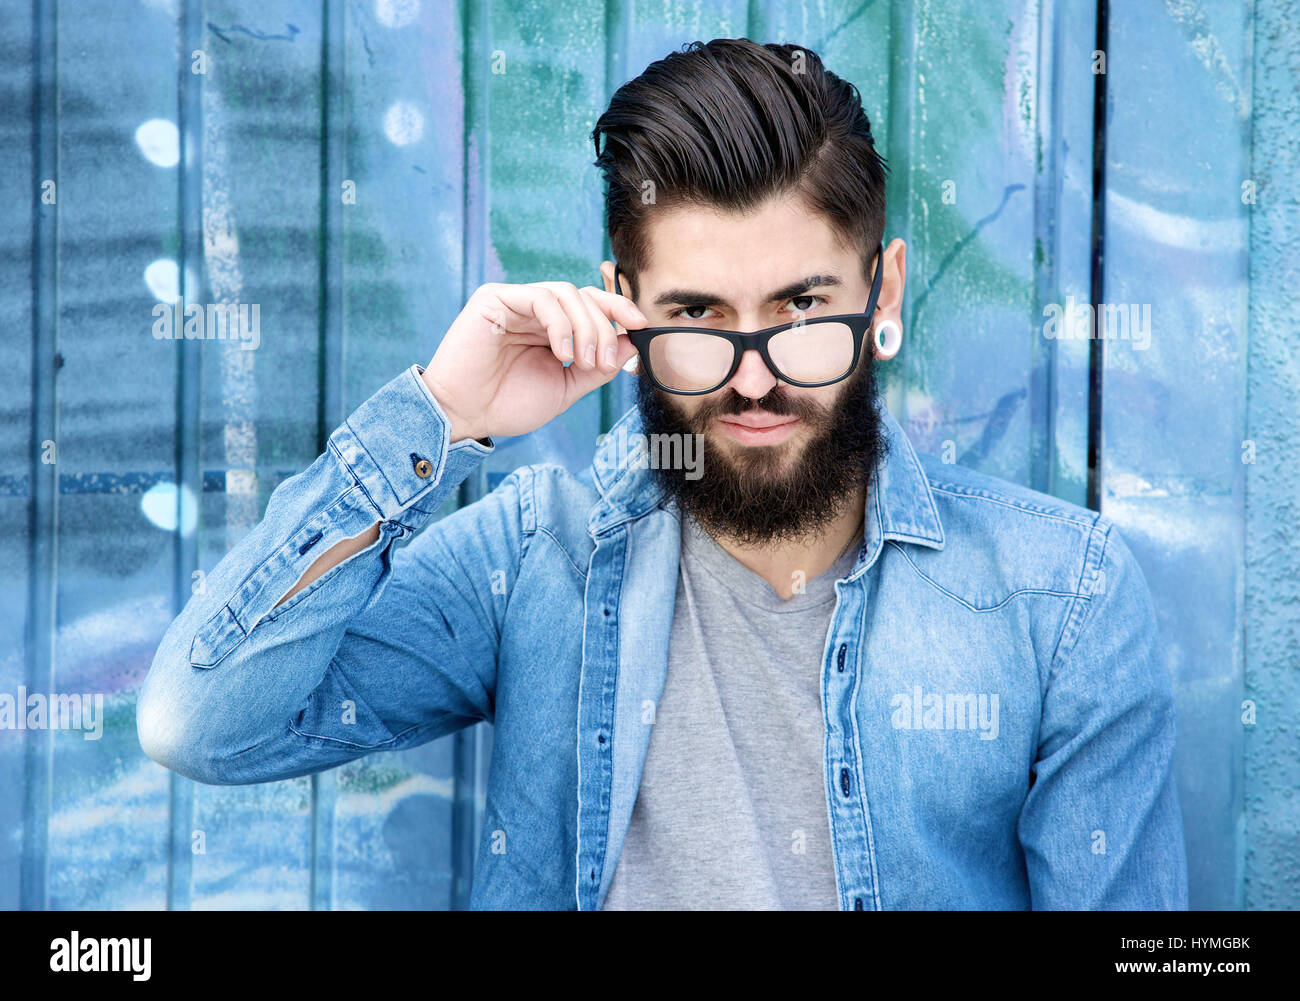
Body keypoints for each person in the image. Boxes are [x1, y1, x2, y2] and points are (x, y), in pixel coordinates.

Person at [138, 38, 1188, 910]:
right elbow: (201, 721)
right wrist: (439, 418)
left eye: (799, 309)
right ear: (620, 307)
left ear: (882, 294)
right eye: (695, 317)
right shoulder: (535, 555)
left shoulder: (1063, 598)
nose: (756, 380)